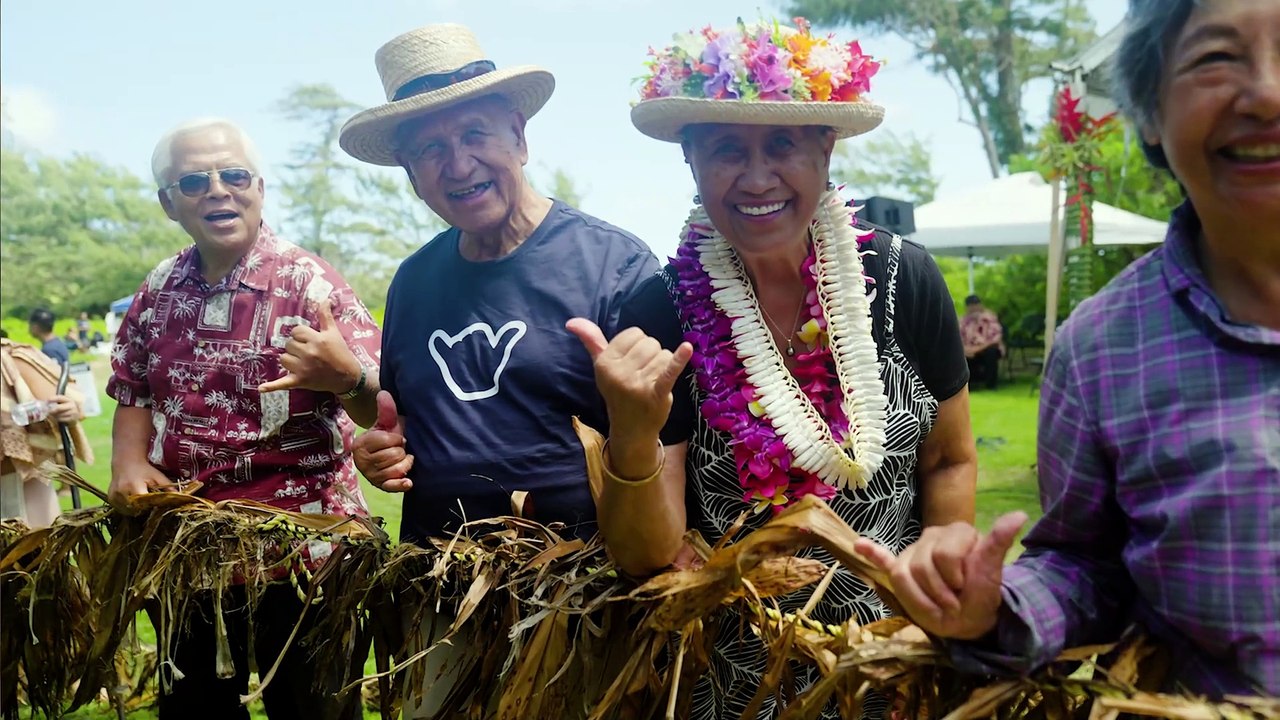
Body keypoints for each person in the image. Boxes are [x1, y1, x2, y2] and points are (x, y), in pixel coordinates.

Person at [854, 0, 1279, 697]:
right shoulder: (1101, 348)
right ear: (1149, 111)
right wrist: (995, 609)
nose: (1267, 92)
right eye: (1216, 57)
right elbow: (1086, 565)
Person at [565, 19, 978, 719]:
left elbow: (949, 461)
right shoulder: (661, 310)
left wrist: (938, 556)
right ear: (691, 162)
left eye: (781, 144)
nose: (757, 178)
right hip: (734, 680)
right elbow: (646, 557)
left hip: (892, 664)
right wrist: (631, 436)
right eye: (727, 150)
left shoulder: (904, 278)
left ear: (826, 148)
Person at [339, 23, 658, 716]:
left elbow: (660, 445)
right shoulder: (413, 282)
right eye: (431, 149)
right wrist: (381, 456)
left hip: (577, 593)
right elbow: (401, 422)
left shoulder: (616, 267)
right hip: (442, 595)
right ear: (409, 172)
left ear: (518, 134)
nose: (458, 165)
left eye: (476, 134)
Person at [106, 118, 383, 720]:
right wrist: (127, 461)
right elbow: (132, 388)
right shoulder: (158, 288)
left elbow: (377, 407)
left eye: (234, 175)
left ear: (259, 187)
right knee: (195, 704)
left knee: (313, 704)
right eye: (194, 180)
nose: (217, 190)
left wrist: (344, 376)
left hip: (304, 546)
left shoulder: (310, 283)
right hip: (186, 542)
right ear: (168, 203)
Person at [0, 336, 90, 528]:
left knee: (39, 549)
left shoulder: (11, 358)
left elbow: (65, 403)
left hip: (23, 480)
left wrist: (67, 410)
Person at [959, 294, 1004, 390]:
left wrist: (977, 349)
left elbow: (995, 339)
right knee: (959, 355)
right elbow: (958, 339)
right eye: (971, 306)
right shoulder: (962, 321)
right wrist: (965, 350)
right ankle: (967, 385)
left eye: (976, 305)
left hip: (986, 348)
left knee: (991, 351)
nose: (974, 308)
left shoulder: (990, 319)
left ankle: (991, 385)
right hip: (969, 350)